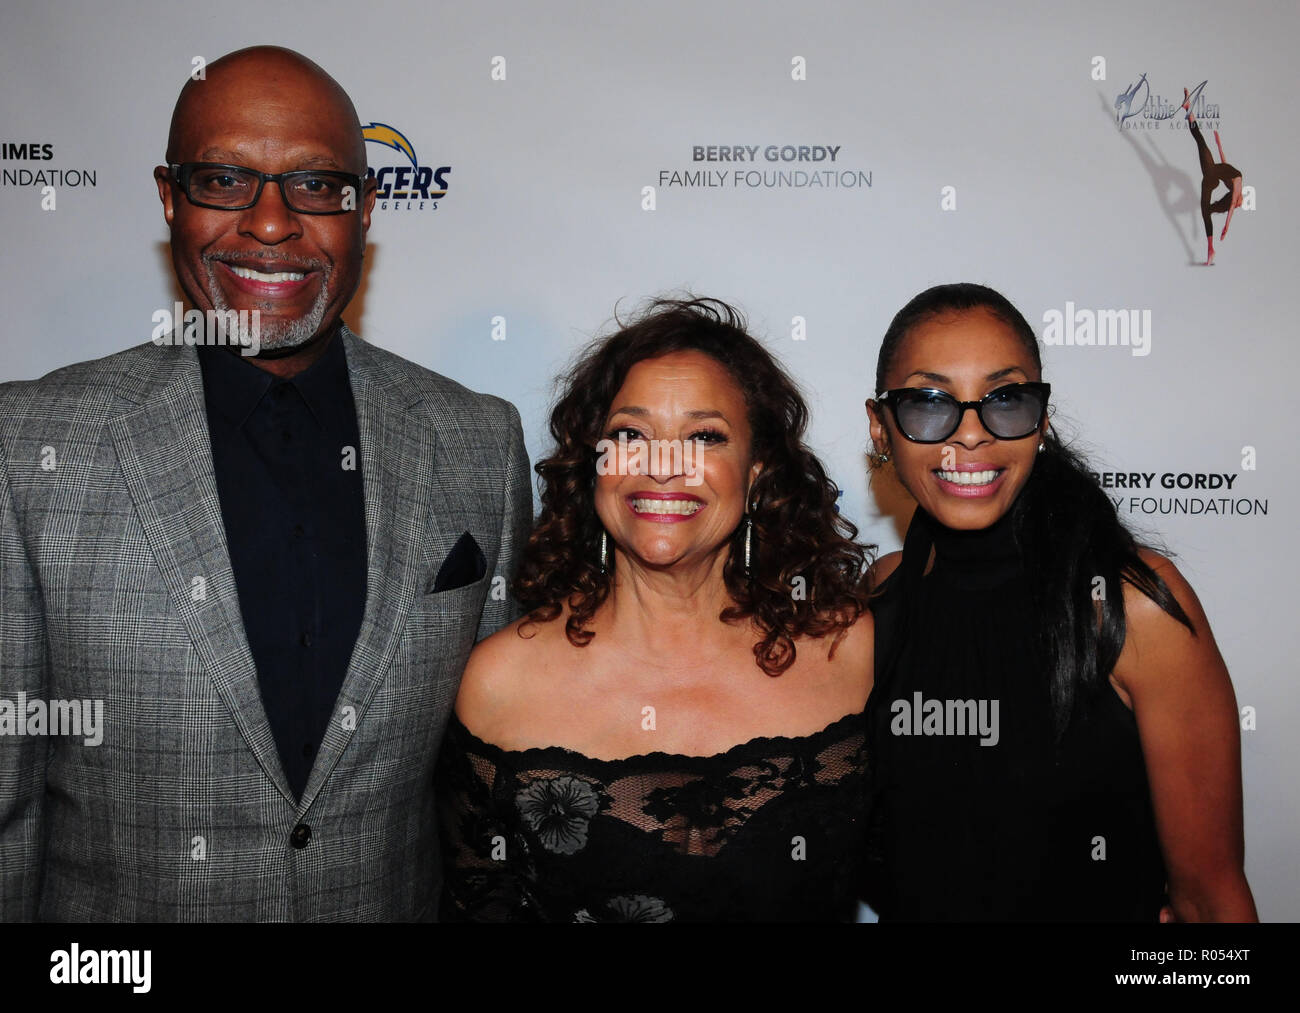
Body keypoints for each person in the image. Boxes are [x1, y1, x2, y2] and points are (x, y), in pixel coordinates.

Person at [0, 46, 532, 921]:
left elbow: (491, 792)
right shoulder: (29, 446)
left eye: (317, 186)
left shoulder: (477, 440)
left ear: (365, 207)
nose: (273, 224)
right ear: (170, 197)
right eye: (225, 181)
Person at [436, 298, 873, 922]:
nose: (663, 467)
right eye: (630, 435)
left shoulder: (849, 649)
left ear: (756, 472)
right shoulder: (498, 683)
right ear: (595, 466)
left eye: (704, 436)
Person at [863, 282, 1257, 922]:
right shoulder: (876, 601)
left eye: (1006, 400)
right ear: (881, 428)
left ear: (1041, 421)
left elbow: (1210, 901)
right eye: (930, 403)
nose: (970, 436)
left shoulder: (1131, 605)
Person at [1182, 87, 1243, 266]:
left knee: (1200, 140)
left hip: (1211, 172)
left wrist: (1227, 225)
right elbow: (1224, 165)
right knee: (1205, 209)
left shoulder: (1237, 187)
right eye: (1240, 201)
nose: (1240, 201)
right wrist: (1219, 145)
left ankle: (1188, 108)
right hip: (1212, 175)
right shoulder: (1234, 183)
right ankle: (1210, 248)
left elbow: (1231, 205)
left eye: (1239, 202)